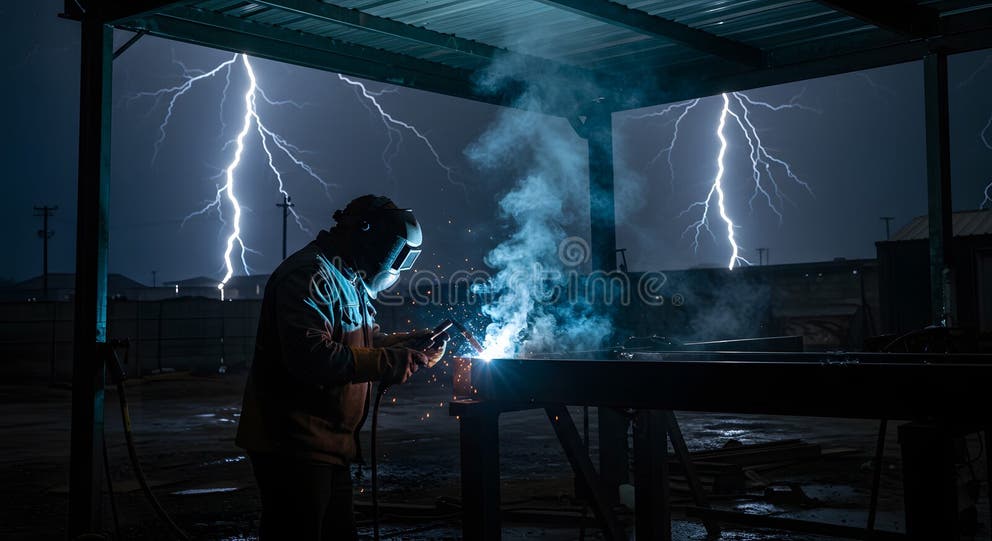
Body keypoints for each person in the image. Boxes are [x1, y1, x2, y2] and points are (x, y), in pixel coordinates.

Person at [235, 195, 446, 540]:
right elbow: (312, 357)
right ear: (367, 235)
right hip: (294, 448)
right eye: (396, 254)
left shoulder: (348, 280)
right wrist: (389, 361)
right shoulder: (309, 275)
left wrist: (409, 343)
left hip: (331, 447)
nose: (396, 265)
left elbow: (364, 341)